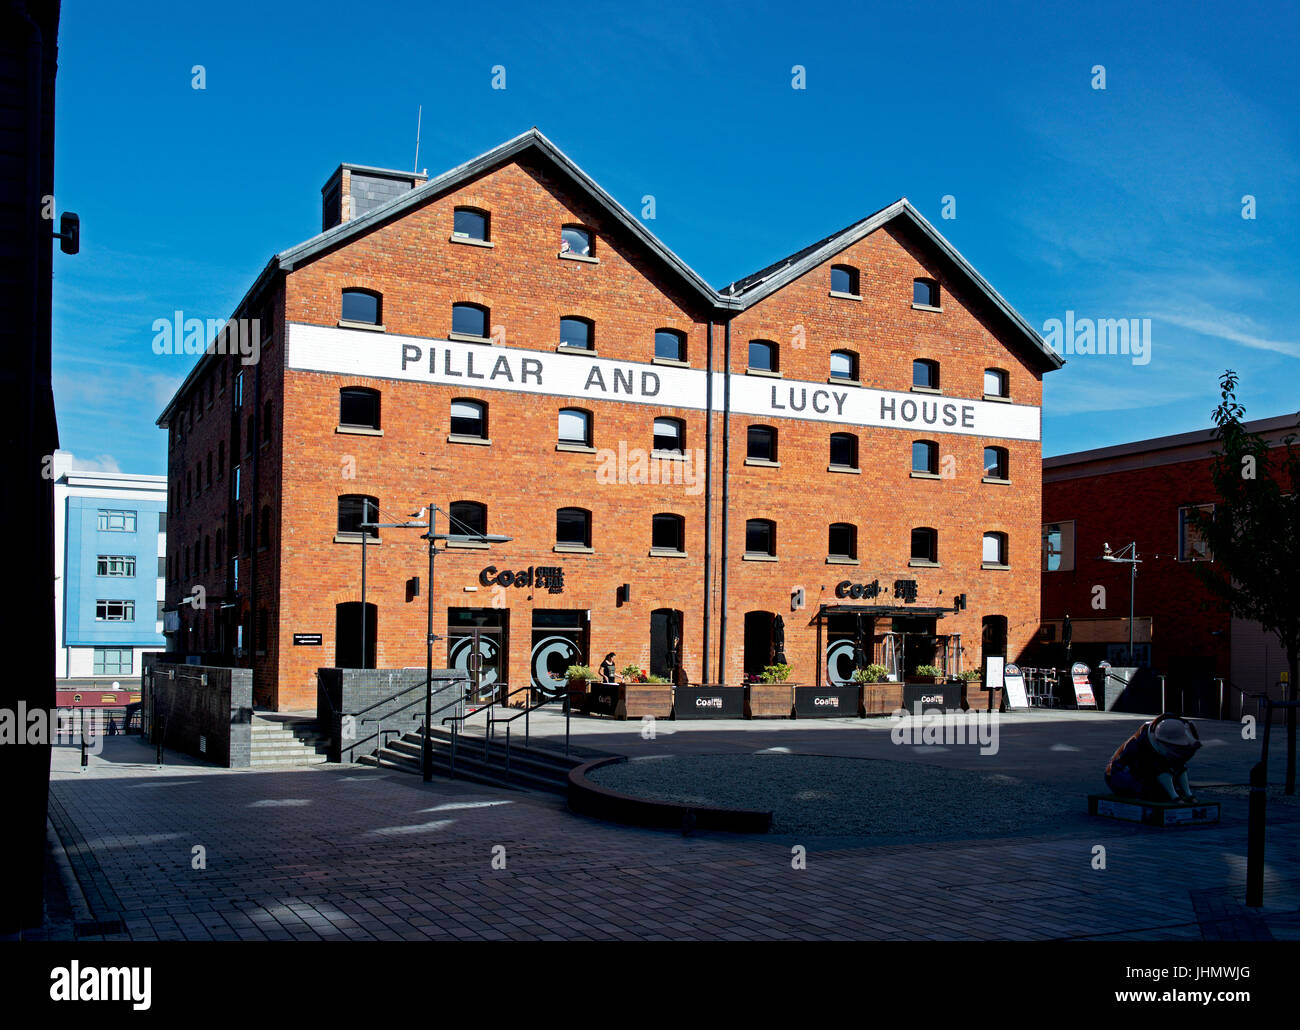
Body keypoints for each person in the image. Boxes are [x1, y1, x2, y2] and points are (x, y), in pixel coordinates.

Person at [1105, 714, 1201, 803]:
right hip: (1118, 774)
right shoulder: (1140, 745)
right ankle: (1173, 794)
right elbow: (1154, 769)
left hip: (1141, 771)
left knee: (1170, 771)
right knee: (1153, 790)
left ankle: (1184, 794)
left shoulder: (1163, 731)